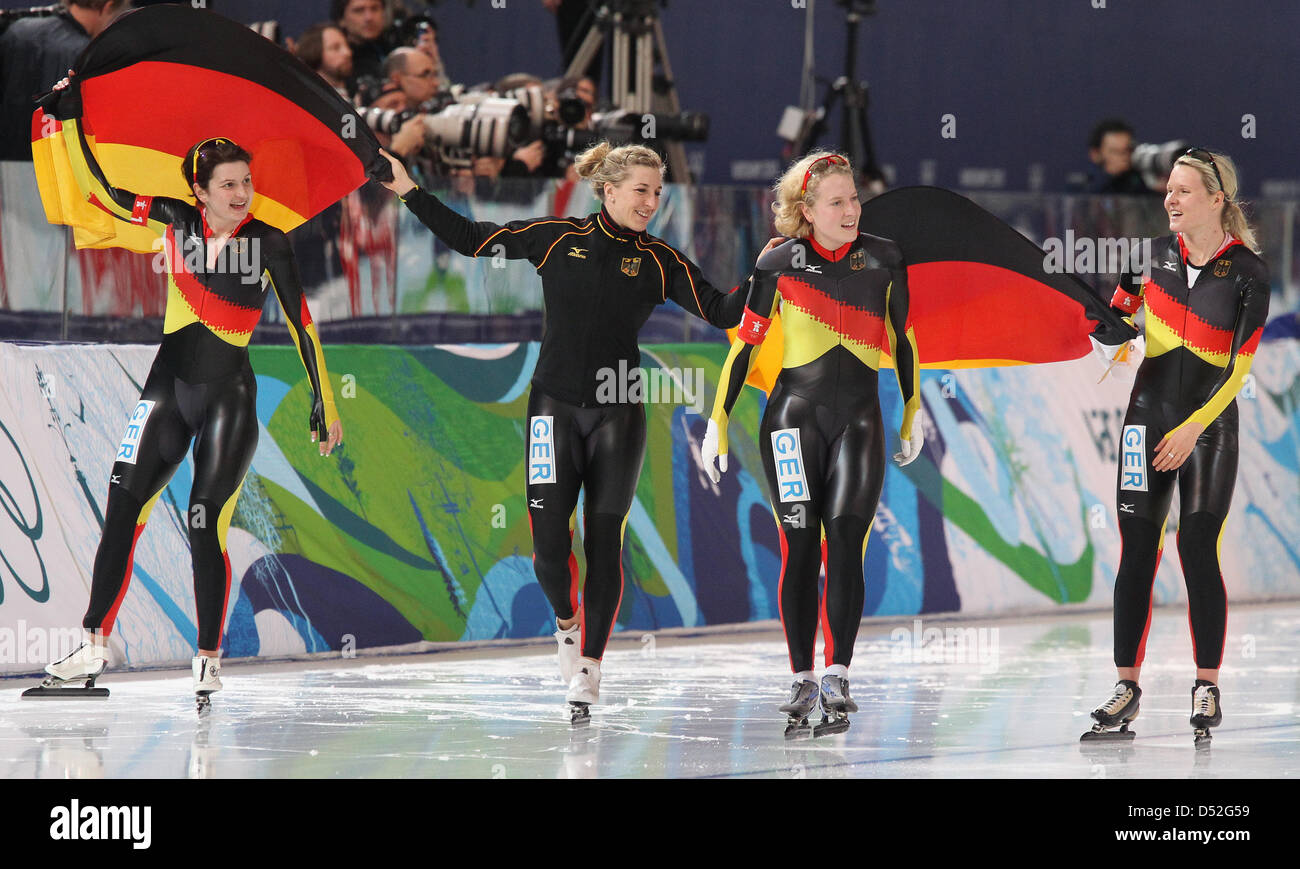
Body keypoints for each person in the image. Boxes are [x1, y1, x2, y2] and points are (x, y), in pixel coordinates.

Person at [377, 142, 747, 722]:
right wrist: (408, 191)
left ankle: (592, 667)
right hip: (553, 407)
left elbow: (725, 311)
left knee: (605, 541)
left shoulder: (659, 261)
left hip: (618, 409)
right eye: (641, 190)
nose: (651, 202)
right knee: (549, 547)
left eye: (658, 191)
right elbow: (472, 239)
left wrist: (777, 266)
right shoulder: (556, 237)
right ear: (608, 190)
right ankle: (567, 625)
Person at [29, 77, 344, 711]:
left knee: (205, 520)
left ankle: (207, 658)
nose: (241, 194)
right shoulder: (173, 219)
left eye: (246, 183)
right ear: (198, 191)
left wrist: (323, 400)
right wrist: (64, 125)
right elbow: (101, 191)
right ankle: (93, 644)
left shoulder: (269, 241)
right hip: (166, 389)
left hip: (230, 395)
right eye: (227, 185)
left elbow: (301, 322)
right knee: (122, 501)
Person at [701, 151, 922, 738]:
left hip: (861, 423)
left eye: (854, 199)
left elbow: (904, 340)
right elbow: (744, 347)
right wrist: (717, 421)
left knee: (846, 541)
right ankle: (801, 674)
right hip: (790, 424)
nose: (851, 210)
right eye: (837, 202)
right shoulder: (778, 261)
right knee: (800, 544)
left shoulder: (885, 257)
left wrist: (912, 413)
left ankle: (837, 672)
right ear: (806, 210)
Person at [1083, 148, 1269, 746]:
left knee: (1195, 544)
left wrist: (1193, 429)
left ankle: (1207, 683)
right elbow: (1115, 332)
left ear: (1217, 200)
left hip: (1209, 425)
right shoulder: (1145, 261)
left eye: (1184, 191)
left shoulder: (1247, 273)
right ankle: (1125, 687)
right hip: (1144, 420)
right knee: (1136, 547)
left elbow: (1239, 373)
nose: (1170, 199)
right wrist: (1108, 335)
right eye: (1168, 189)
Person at [0, 0, 128, 160]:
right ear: (108, 5)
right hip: (55, 167)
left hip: (7, 165)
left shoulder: (17, 31)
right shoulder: (89, 55)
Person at [1081, 118, 1150, 195]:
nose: (1124, 156)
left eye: (1127, 150)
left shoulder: (1147, 182)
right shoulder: (1086, 188)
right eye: (1115, 151)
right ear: (1095, 154)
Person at [295, 21, 355, 102]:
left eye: (347, 45)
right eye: (336, 48)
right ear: (314, 52)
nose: (347, 52)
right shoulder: (309, 101)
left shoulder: (358, 92)